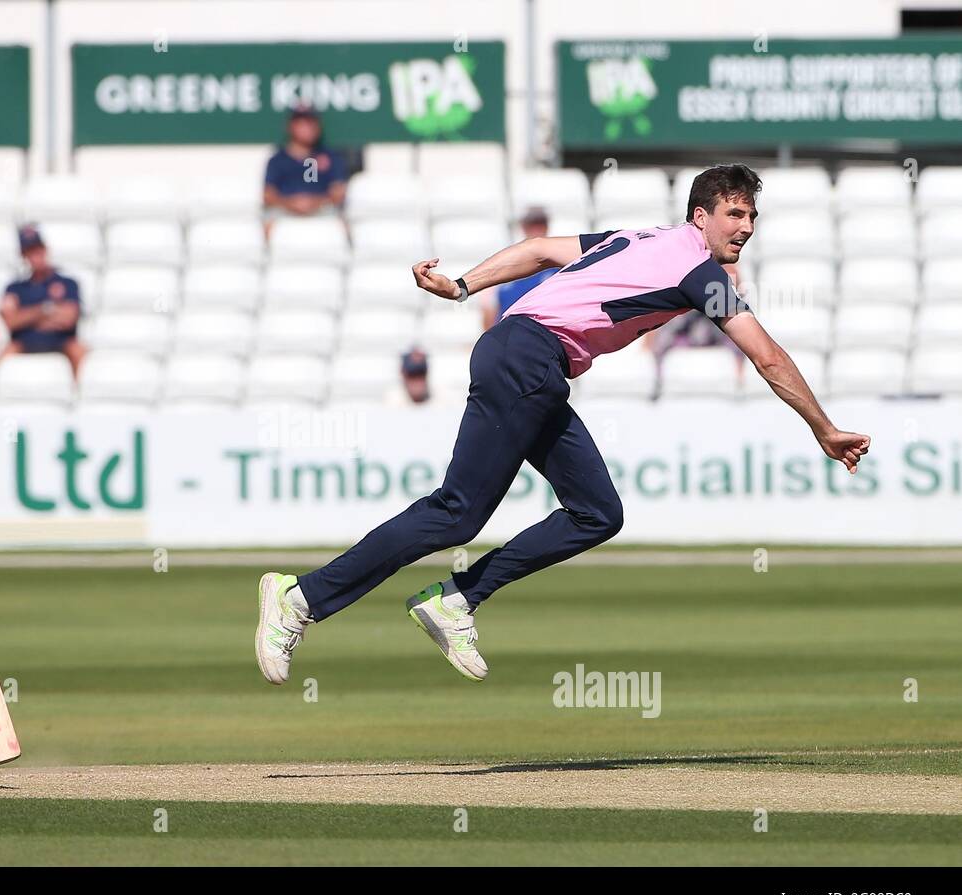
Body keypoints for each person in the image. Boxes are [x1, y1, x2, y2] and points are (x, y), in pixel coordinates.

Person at [254, 164, 870, 686]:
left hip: (531, 362)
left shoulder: (637, 238)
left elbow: (542, 250)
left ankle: (458, 598)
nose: (746, 228)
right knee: (457, 512)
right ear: (701, 217)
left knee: (597, 512)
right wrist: (823, 427)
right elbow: (765, 355)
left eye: (752, 217)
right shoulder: (699, 272)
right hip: (527, 357)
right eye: (735, 214)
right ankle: (300, 599)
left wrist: (465, 283)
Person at [0, 226, 84, 375]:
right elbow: (11, 321)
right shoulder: (15, 287)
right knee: (4, 357)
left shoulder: (68, 283)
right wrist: (46, 310)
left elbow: (69, 318)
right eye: (30, 252)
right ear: (24, 256)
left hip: (60, 340)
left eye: (38, 250)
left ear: (46, 250)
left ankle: (80, 392)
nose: (36, 256)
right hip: (25, 342)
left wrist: (28, 318)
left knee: (78, 351)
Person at [262, 106, 347, 223]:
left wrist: (314, 203)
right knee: (268, 219)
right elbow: (268, 194)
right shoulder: (277, 160)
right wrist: (291, 204)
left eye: (311, 123)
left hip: (323, 210)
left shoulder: (331, 157)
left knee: (342, 220)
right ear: (290, 127)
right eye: (302, 124)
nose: (308, 128)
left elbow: (338, 192)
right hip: (285, 212)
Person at [480, 208, 558, 331]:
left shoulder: (558, 267)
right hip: (508, 338)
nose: (536, 230)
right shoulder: (506, 264)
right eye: (532, 225)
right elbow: (489, 308)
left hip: (544, 339)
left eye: (540, 224)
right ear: (523, 228)